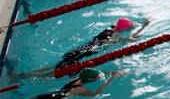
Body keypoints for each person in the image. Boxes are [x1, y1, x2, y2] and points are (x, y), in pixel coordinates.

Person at [9, 17, 147, 81]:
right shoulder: (114, 37)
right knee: (53, 73)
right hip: (80, 56)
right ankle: (23, 77)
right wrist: (144, 26)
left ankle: (24, 75)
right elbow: (129, 39)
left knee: (52, 67)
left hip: (77, 51)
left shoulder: (110, 29)